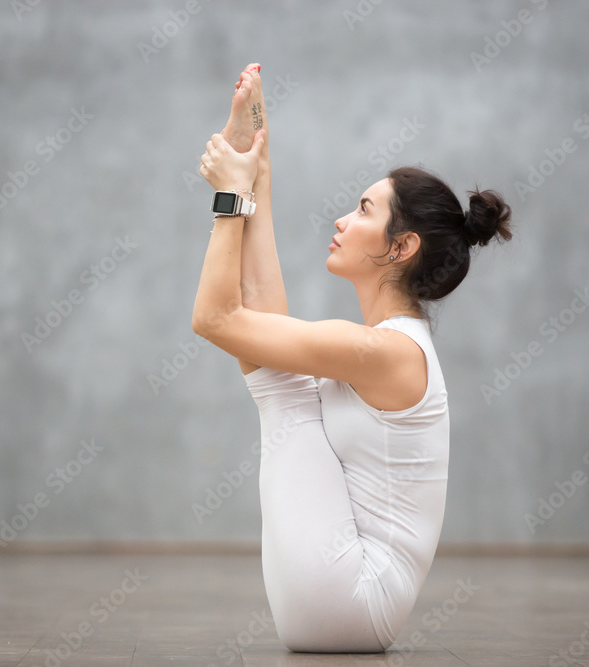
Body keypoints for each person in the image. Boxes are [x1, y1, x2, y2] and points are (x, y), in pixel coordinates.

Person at [192, 64, 512, 653]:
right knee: (284, 387)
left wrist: (231, 198)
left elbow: (215, 320)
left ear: (401, 246)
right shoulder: (385, 347)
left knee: (284, 394)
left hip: (352, 599)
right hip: (340, 600)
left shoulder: (386, 352)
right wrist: (254, 162)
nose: (342, 220)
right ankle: (250, 169)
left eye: (364, 210)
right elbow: (258, 329)